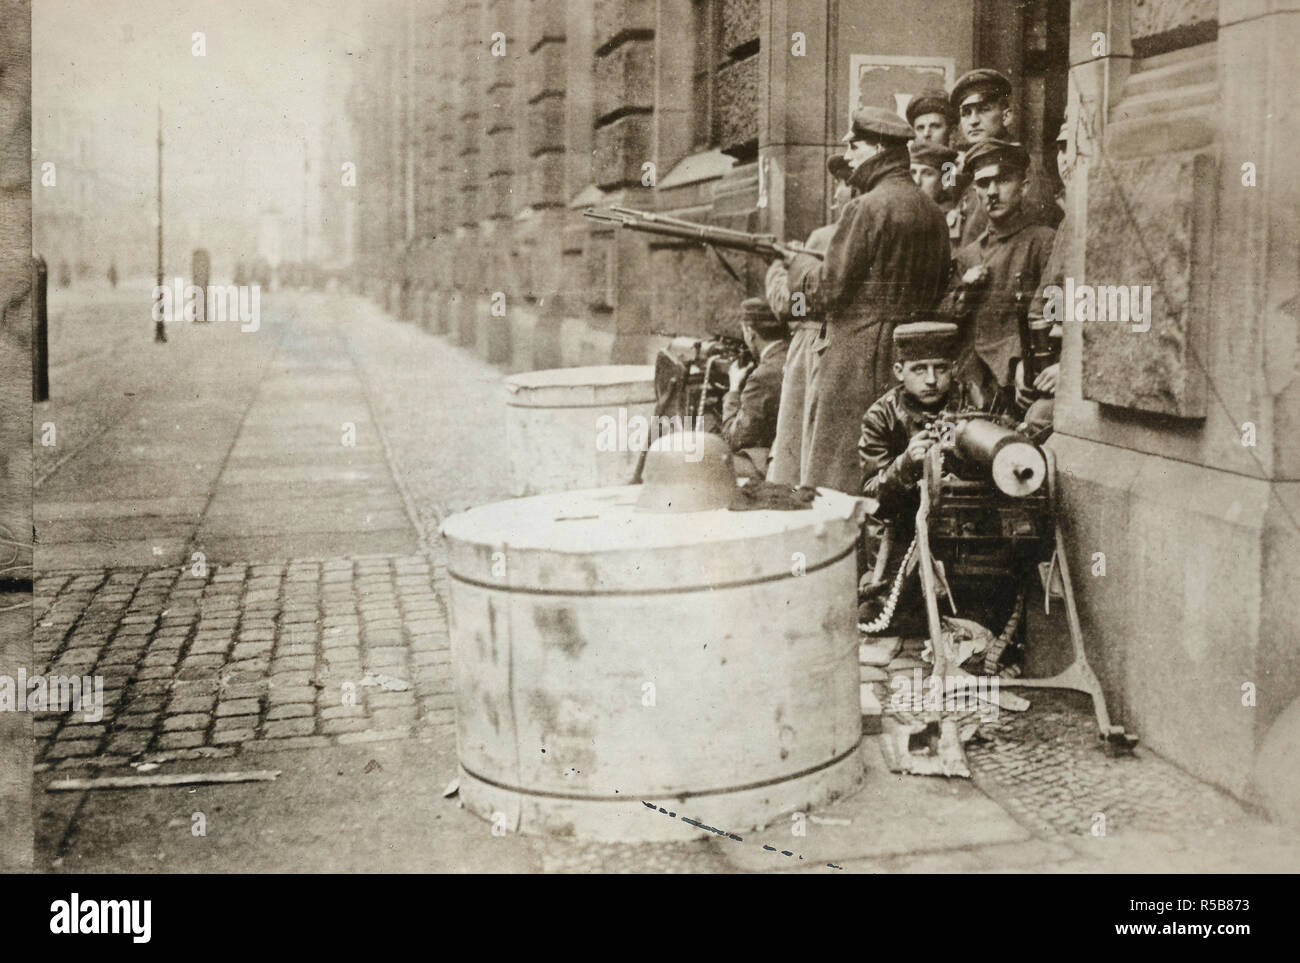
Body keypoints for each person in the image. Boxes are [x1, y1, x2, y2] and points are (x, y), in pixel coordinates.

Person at [783, 106, 951, 494]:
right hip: (911, 355)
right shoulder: (933, 212)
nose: (850, 154)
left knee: (843, 471)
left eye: (855, 146)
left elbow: (828, 291)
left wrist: (799, 270)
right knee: (901, 466)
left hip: (858, 355)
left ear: (877, 148)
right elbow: (941, 282)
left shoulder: (865, 207)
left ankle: (845, 552)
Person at [857, 321, 1004, 633]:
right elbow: (870, 499)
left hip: (966, 539)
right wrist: (906, 463)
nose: (932, 380)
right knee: (878, 612)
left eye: (940, 368)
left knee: (988, 614)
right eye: (919, 369)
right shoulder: (881, 417)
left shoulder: (978, 404)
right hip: (905, 538)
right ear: (899, 371)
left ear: (953, 368)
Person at [943, 138, 1056, 433]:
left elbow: (1049, 314)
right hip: (971, 386)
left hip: (1018, 386)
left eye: (1003, 180)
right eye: (983, 183)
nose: (992, 192)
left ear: (1025, 186)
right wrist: (965, 293)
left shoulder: (1043, 242)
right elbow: (947, 318)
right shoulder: (968, 255)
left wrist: (1023, 360)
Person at [764, 155, 853, 486]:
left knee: (798, 447)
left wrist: (778, 271)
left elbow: (797, 306)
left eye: (842, 185)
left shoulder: (825, 236)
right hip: (844, 345)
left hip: (814, 345)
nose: (835, 195)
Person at [949, 68, 1061, 248]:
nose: (973, 120)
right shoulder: (968, 168)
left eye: (984, 109)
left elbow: (1032, 240)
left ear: (1006, 116)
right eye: (966, 113)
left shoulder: (1024, 166)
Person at [720, 297, 789, 480]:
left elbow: (733, 439)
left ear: (750, 333)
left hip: (775, 465)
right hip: (794, 455)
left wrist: (733, 389)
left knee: (707, 461)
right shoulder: (793, 355)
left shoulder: (762, 376)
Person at [909, 140, 961, 249]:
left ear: (945, 180)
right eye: (912, 172)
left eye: (927, 173)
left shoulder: (948, 220)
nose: (917, 181)